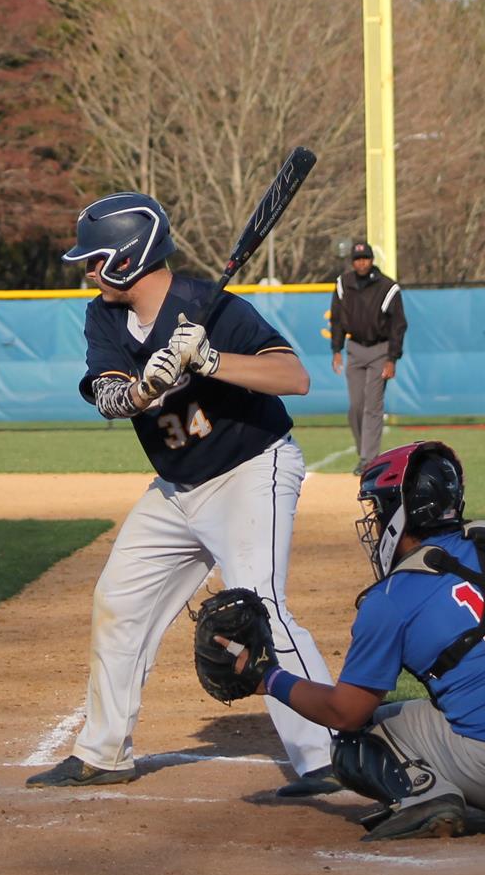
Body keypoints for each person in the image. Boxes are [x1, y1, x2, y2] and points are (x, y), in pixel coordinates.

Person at [25, 192, 340, 794]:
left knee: (260, 606)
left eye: (94, 260)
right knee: (119, 600)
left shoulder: (210, 308)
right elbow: (110, 395)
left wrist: (211, 359)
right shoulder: (105, 317)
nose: (88, 272)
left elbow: (293, 376)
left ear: (127, 257)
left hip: (252, 469)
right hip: (177, 486)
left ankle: (324, 756)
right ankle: (104, 752)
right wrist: (145, 389)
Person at [213, 440, 485, 841]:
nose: (375, 524)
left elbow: (344, 712)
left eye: (378, 511)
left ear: (398, 513)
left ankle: (428, 796)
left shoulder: (392, 598)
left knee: (359, 737)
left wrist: (267, 677)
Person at [328, 241, 407, 473]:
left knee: (372, 406)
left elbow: (398, 325)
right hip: (355, 349)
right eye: (357, 259)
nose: (361, 262)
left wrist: (392, 358)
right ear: (352, 261)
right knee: (356, 407)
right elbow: (337, 319)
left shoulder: (387, 287)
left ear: (372, 260)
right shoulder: (344, 283)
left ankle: (368, 460)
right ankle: (365, 453)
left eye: (365, 258)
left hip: (379, 350)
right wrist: (336, 350)